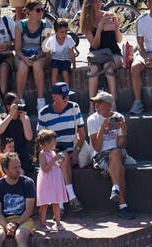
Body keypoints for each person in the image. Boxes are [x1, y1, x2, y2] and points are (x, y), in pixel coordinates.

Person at [36, 81, 83, 211]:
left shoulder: (74, 107)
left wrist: (77, 151)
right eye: (64, 96)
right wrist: (53, 152)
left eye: (68, 95)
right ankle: (71, 198)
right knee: (62, 157)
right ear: (55, 97)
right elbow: (40, 139)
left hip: (71, 150)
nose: (67, 98)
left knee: (63, 157)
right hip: (51, 151)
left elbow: (82, 134)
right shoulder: (44, 112)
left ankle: (60, 204)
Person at [87, 89, 132, 219]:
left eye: (99, 103)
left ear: (108, 105)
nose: (96, 105)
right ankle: (122, 205)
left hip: (116, 152)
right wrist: (102, 128)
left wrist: (123, 132)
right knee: (120, 167)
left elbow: (120, 144)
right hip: (100, 155)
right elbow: (97, 147)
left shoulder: (118, 117)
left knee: (116, 153)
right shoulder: (92, 120)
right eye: (95, 103)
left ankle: (116, 190)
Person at [82, 1, 123, 100]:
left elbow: (119, 40)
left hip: (114, 53)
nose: (98, 4)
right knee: (94, 69)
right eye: (95, 2)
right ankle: (91, 105)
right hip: (97, 55)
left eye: (99, 1)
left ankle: (113, 103)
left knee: (107, 66)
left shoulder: (108, 16)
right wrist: (99, 30)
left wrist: (117, 27)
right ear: (89, 4)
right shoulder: (87, 22)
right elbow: (95, 46)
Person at [13, 1, 48, 111]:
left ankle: (41, 101)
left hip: (41, 56)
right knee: (23, 67)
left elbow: (46, 49)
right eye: (38, 10)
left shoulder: (47, 25)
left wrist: (36, 57)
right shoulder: (20, 25)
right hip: (23, 55)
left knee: (37, 65)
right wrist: (25, 58)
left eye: (42, 10)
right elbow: (17, 49)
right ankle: (20, 101)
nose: (41, 12)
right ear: (29, 12)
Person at [33, 128, 64, 230]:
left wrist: (59, 159)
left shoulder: (52, 152)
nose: (54, 144)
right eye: (52, 142)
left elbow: (56, 164)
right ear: (45, 143)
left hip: (55, 180)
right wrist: (55, 159)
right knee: (44, 203)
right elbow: (45, 168)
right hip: (46, 181)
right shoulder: (42, 154)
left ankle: (58, 222)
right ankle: (42, 223)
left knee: (56, 202)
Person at [0, 90, 34, 175]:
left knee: (19, 172)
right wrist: (10, 115)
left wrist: (23, 119)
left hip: (22, 158)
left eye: (20, 103)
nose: (19, 106)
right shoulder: (2, 118)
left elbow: (29, 137)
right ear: (8, 106)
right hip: (7, 157)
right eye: (16, 104)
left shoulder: (25, 118)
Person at [44, 18, 76, 87]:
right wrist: (46, 66)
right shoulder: (52, 40)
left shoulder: (69, 39)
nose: (64, 34)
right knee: (54, 71)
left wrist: (74, 66)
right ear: (55, 32)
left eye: (66, 31)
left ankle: (66, 93)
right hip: (55, 60)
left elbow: (72, 53)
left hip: (66, 60)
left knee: (65, 73)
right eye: (62, 32)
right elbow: (48, 53)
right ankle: (54, 93)